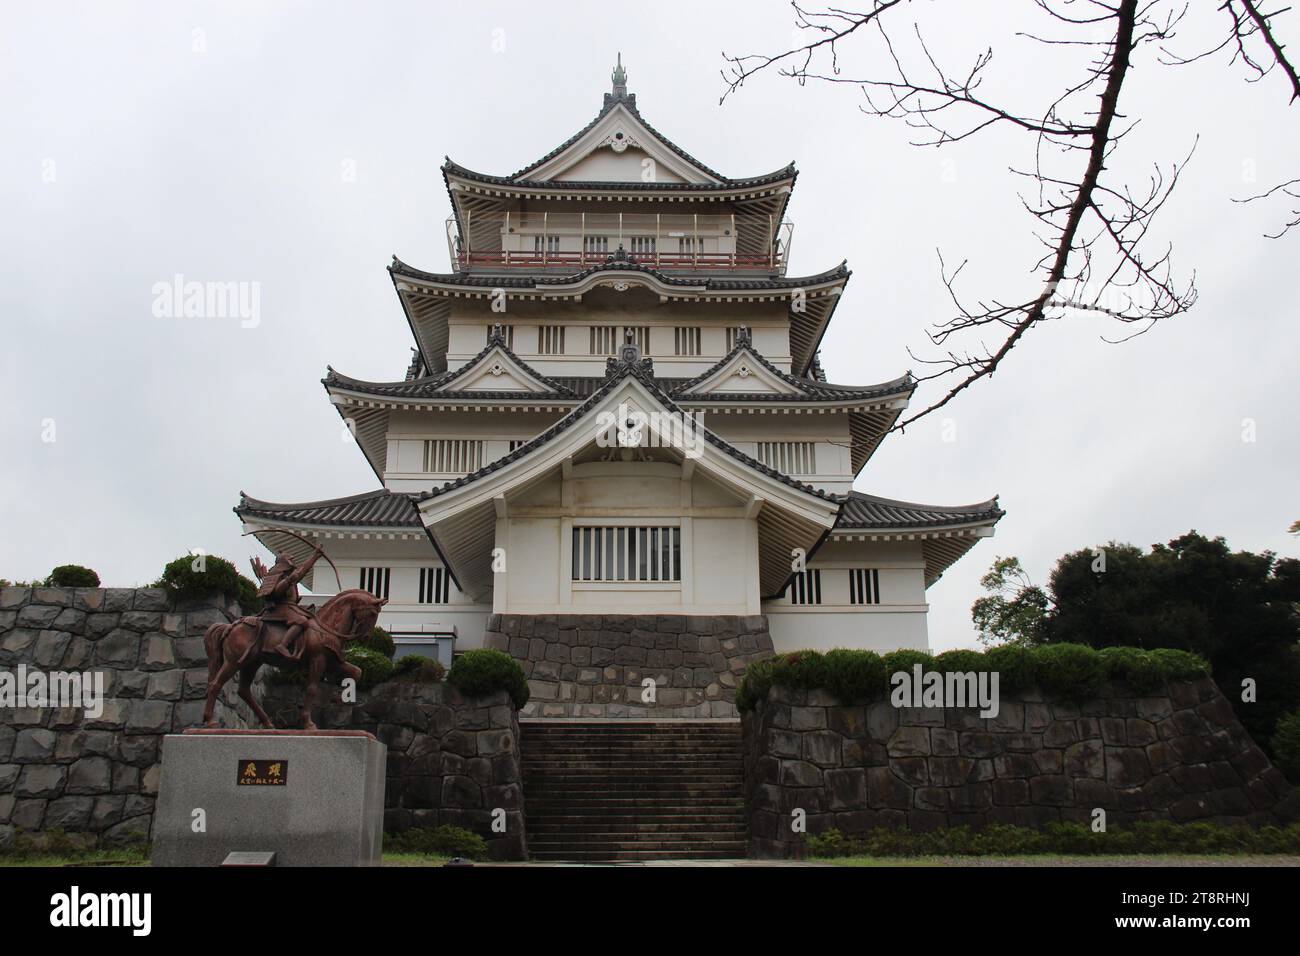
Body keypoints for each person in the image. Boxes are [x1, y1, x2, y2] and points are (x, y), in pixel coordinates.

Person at [252, 548, 322, 661]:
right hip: (281, 607)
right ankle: (283, 645)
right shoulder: (276, 575)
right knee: (302, 621)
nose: (293, 562)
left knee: (312, 612)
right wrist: (287, 581)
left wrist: (315, 556)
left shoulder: (288, 575)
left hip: (291, 606)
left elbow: (302, 570)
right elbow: (275, 593)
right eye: (291, 560)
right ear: (286, 562)